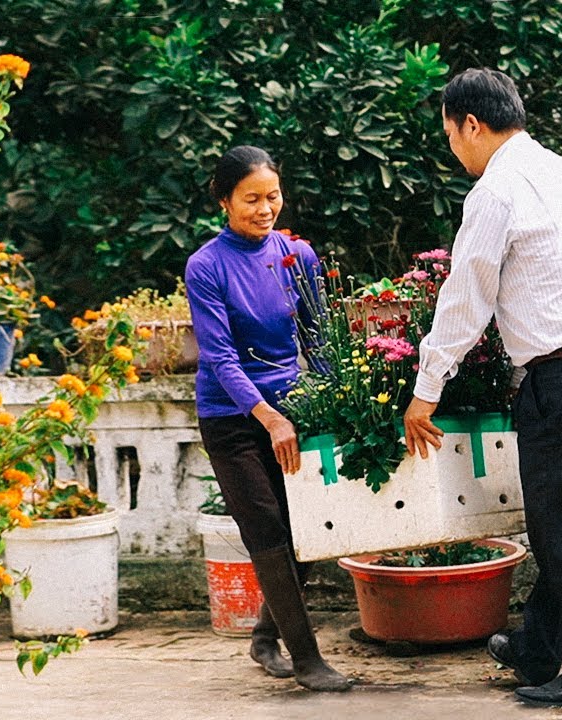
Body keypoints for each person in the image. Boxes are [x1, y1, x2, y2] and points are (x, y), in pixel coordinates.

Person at [402, 68, 562, 708]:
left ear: (472, 125)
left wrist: (426, 390)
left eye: (450, 134)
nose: (453, 148)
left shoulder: (497, 190)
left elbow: (465, 297)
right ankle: (539, 648)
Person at [186, 145, 351, 693]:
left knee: (301, 529)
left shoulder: (296, 256)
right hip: (232, 418)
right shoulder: (206, 265)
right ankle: (306, 660)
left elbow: (317, 337)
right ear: (224, 201)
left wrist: (333, 401)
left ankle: (264, 636)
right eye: (251, 199)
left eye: (272, 196)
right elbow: (220, 356)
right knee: (266, 531)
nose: (264, 208)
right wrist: (268, 418)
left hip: (293, 409)